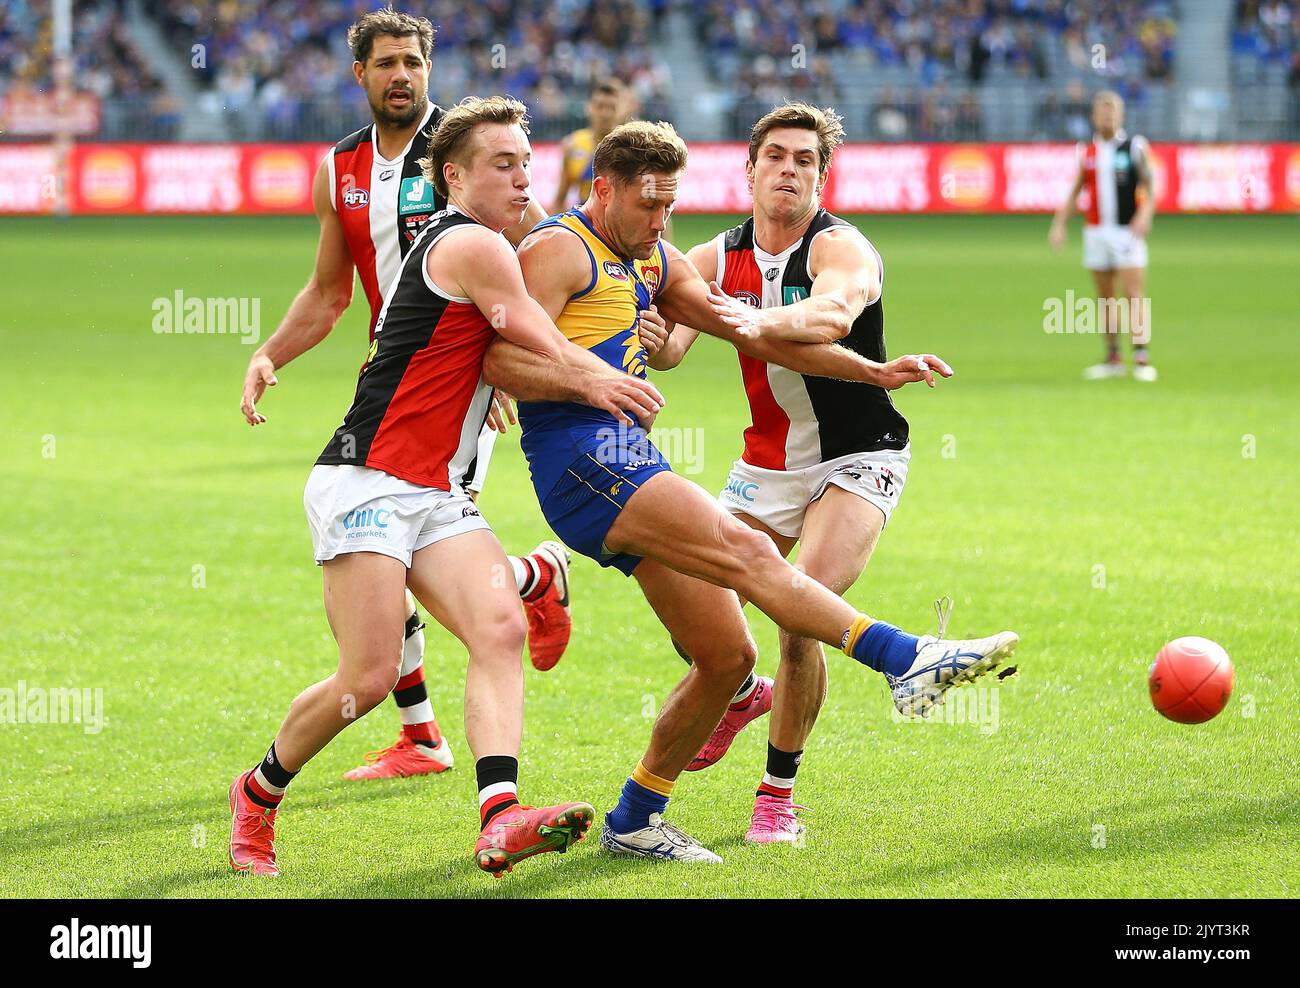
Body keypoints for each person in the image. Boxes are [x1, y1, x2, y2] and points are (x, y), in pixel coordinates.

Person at [484, 119, 1020, 863]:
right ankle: (908, 660)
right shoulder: (557, 250)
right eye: (648, 206)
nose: (662, 223)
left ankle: (636, 817)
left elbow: (757, 336)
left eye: (671, 206)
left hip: (640, 455)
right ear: (603, 190)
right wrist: (591, 375)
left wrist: (872, 372)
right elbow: (500, 363)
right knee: (751, 560)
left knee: (728, 654)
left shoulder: (658, 258)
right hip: (585, 459)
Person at [228, 96, 667, 879]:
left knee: (499, 632)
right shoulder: (471, 241)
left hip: (433, 490)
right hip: (366, 477)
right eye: (503, 164)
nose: (523, 177)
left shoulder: (488, 239)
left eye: (526, 162)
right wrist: (603, 379)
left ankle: (500, 816)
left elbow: (505, 325)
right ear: (456, 176)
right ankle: (258, 794)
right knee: (365, 680)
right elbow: (531, 329)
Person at [236, 8, 574, 786]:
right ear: (360, 73)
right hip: (389, 387)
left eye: (413, 63)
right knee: (401, 554)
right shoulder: (341, 168)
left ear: (430, 67)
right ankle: (526, 587)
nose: (401, 76)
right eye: (386, 64)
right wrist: (269, 351)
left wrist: (508, 365)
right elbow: (328, 293)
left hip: (460, 389)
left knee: (416, 545)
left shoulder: (466, 156)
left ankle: (432, 734)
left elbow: (538, 254)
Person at [642, 101, 941, 844]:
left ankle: (776, 795)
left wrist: (742, 321)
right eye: (776, 155)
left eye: (805, 160)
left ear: (821, 176)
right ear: (748, 169)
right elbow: (674, 348)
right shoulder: (716, 255)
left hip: (856, 454)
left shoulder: (841, 248)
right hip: (765, 462)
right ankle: (741, 694)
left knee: (798, 613)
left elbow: (832, 316)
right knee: (695, 606)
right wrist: (653, 334)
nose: (789, 169)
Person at [1049, 90, 1157, 382]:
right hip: (1096, 232)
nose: (1108, 116)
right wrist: (1060, 224)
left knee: (1133, 294)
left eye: (1113, 111)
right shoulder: (1087, 152)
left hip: (1126, 231)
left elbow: (1149, 184)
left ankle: (1141, 355)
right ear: (1094, 116)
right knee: (1106, 297)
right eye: (1103, 111)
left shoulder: (1134, 147)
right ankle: (1113, 357)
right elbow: (1076, 190)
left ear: (1120, 116)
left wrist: (1145, 213)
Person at [550, 79, 628, 215]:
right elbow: (560, 199)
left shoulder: (630, 147)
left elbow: (652, 202)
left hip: (620, 223)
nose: (605, 114)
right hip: (586, 224)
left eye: (612, 108)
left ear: (620, 110)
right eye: (600, 106)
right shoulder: (573, 145)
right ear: (589, 108)